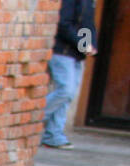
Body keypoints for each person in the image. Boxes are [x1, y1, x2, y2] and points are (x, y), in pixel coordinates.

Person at [42, 0, 98, 149]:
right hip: (62, 52)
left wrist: (90, 45)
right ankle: (32, 120)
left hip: (76, 54)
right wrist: (83, 45)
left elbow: (87, 25)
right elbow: (63, 25)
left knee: (69, 95)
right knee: (65, 91)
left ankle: (54, 135)